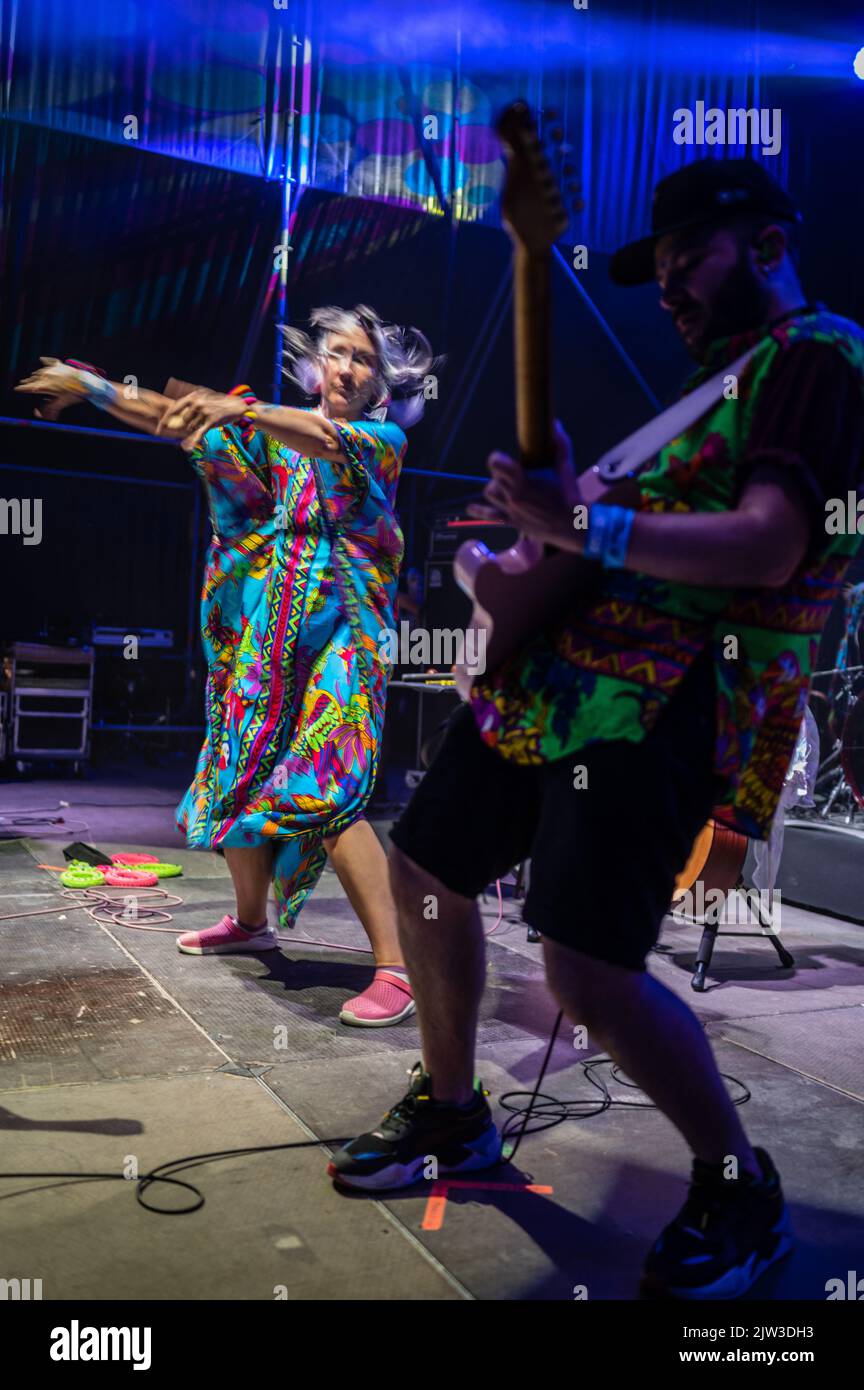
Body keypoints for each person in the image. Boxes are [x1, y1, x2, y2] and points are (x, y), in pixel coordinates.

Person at [331, 160, 864, 1296]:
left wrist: (578, 518)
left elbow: (771, 542)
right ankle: (456, 1112)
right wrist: (560, 517)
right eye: (658, 274)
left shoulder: (816, 355)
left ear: (769, 244)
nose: (669, 291)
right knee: (426, 866)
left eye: (690, 266)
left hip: (665, 697)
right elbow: (611, 527)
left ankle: (738, 1182)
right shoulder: (713, 392)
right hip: (558, 683)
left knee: (586, 964)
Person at [17, 304, 439, 1027]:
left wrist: (233, 408)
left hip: (348, 637)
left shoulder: (381, 439)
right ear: (317, 361)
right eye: (336, 352)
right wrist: (92, 389)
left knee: (326, 785)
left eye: (362, 359)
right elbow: (184, 420)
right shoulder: (277, 436)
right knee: (234, 763)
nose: (345, 367)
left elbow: (318, 435)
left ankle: (397, 969)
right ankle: (250, 922)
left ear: (383, 380)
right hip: (273, 629)